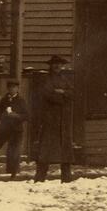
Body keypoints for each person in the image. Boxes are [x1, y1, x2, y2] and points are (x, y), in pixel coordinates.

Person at [33, 55, 74, 183]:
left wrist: (62, 92)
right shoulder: (46, 79)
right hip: (50, 119)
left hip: (63, 120)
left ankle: (66, 179)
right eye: (55, 64)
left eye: (60, 64)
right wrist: (62, 96)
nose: (58, 66)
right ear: (51, 65)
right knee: (46, 148)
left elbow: (72, 93)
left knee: (65, 150)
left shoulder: (65, 79)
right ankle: (40, 179)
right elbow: (47, 94)